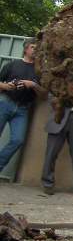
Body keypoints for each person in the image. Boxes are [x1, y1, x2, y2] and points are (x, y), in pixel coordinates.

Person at [0, 39, 44, 176]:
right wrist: (6, 86)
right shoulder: (13, 65)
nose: (35, 50)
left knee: (17, 140)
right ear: (25, 49)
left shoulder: (39, 70)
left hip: (22, 110)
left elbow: (44, 94)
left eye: (37, 48)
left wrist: (33, 85)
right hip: (5, 103)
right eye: (32, 47)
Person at [40, 95, 73, 196]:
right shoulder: (61, 78)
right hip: (59, 117)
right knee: (51, 153)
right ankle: (47, 184)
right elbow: (51, 94)